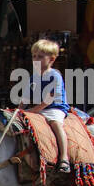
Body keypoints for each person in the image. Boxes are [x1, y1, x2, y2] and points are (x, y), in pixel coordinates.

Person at [23, 38, 73, 175]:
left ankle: (64, 158)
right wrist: (19, 110)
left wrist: (32, 110)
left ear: (51, 59)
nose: (36, 59)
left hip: (55, 108)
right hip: (39, 109)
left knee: (55, 124)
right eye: (34, 56)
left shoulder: (54, 75)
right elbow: (26, 97)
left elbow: (49, 99)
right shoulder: (33, 77)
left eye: (40, 56)